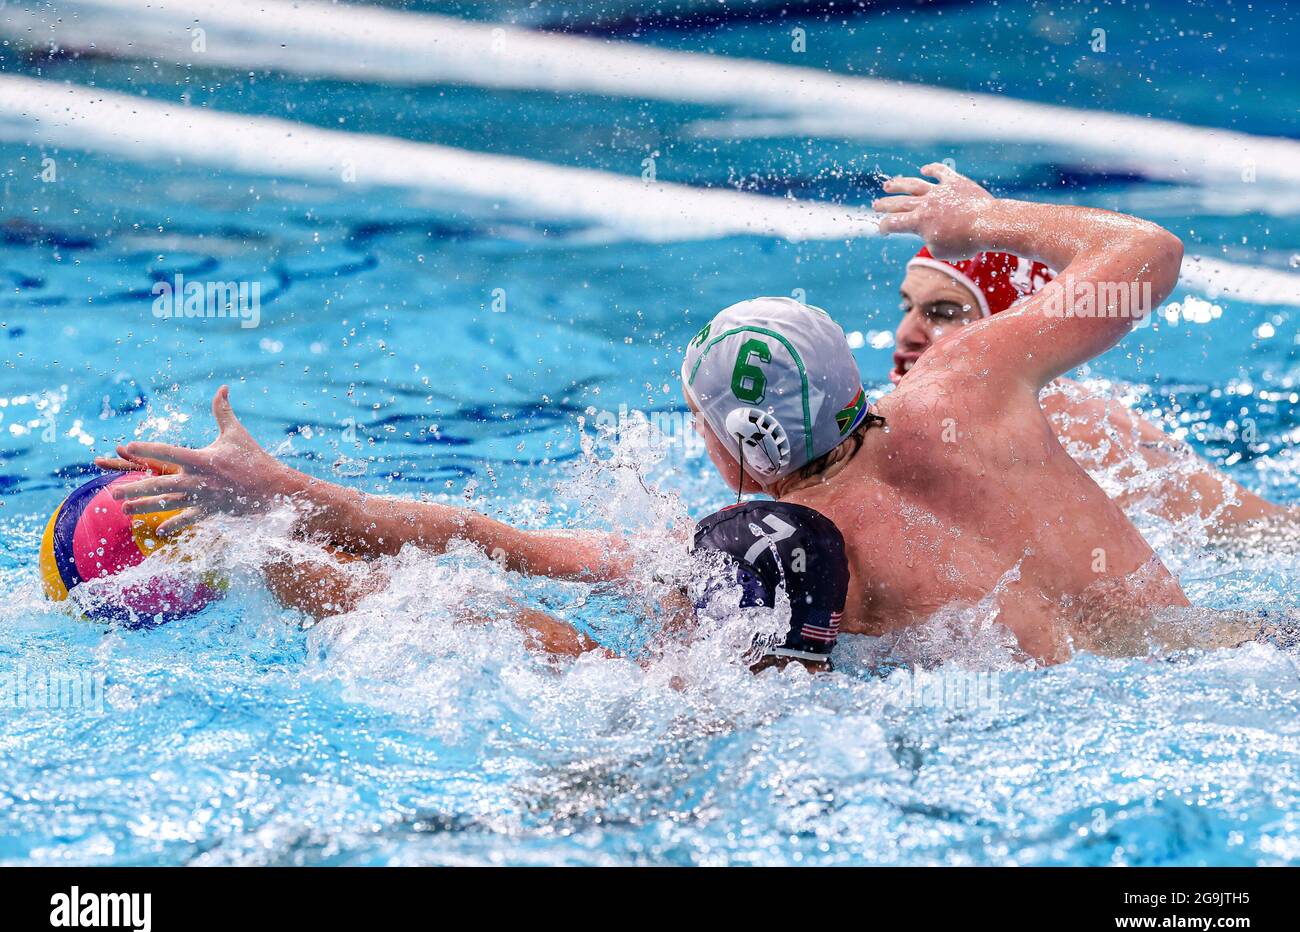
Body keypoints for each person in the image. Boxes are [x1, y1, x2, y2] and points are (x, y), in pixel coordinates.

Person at [97, 164, 1229, 666]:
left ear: (734, 449)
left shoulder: (789, 551)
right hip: (1225, 656)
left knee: (591, 668)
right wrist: (983, 216)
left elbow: (508, 547)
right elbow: (1150, 252)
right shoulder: (968, 378)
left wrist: (299, 512)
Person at [893, 244, 1295, 536]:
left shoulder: (1061, 426)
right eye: (906, 307)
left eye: (942, 313)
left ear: (1009, 326)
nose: (905, 334)